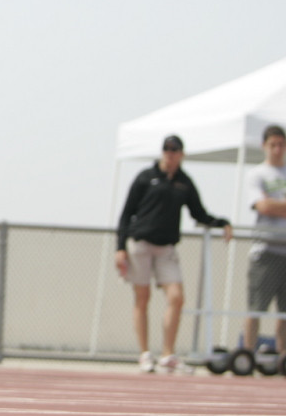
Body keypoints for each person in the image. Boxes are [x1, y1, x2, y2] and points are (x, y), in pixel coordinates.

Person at [116, 134, 233, 373]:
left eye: (175, 149)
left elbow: (199, 213)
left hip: (166, 247)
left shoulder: (184, 182)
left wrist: (223, 222)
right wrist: (120, 248)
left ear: (182, 154)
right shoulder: (145, 177)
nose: (170, 153)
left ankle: (168, 354)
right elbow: (126, 213)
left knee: (177, 297)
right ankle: (145, 354)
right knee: (142, 297)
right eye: (166, 149)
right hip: (140, 244)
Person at [243, 125, 286, 355]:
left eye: (281, 144)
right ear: (264, 146)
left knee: (285, 313)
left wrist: (275, 205)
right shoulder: (257, 174)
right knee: (255, 308)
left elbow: (272, 205)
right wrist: (272, 205)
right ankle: (248, 353)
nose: (278, 149)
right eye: (273, 145)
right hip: (265, 252)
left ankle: (283, 356)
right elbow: (264, 206)